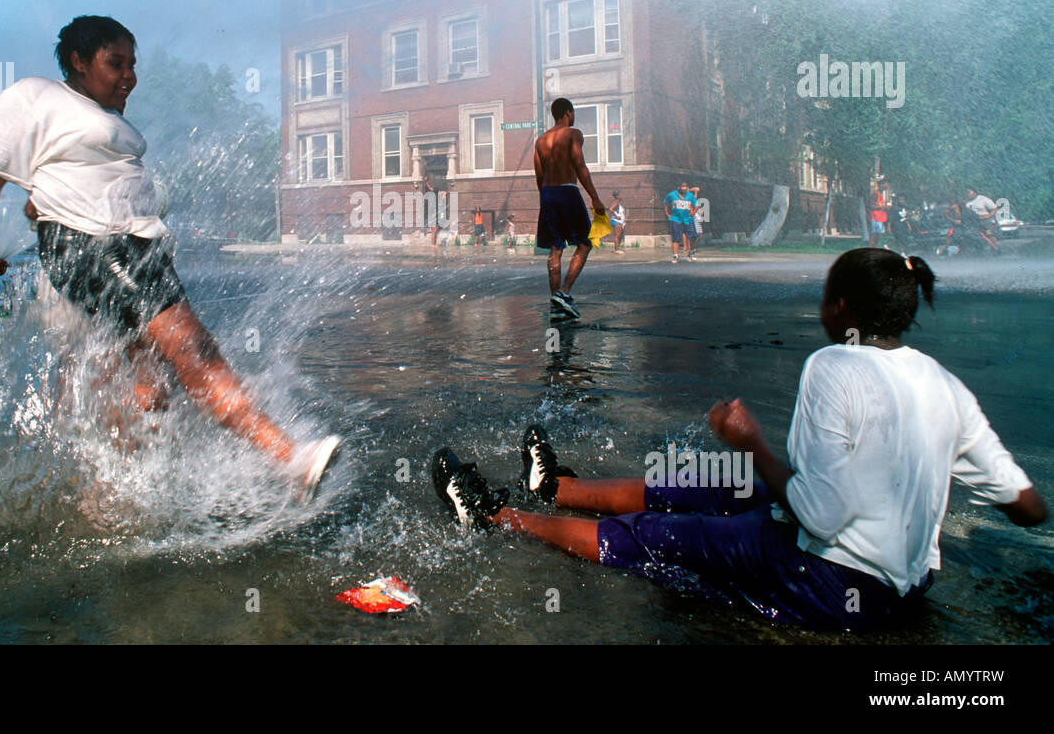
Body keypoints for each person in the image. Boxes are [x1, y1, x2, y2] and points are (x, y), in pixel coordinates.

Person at [432, 248, 1046, 631]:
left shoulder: (836, 366)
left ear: (842, 308)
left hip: (835, 583)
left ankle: (497, 516)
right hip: (900, 582)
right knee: (712, 486)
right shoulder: (947, 385)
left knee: (664, 535)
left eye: (826, 296)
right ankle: (557, 486)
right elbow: (1028, 507)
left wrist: (749, 440)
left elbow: (821, 514)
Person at [0, 16, 340, 501]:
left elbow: (76, 179)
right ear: (77, 60)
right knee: (191, 348)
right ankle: (288, 459)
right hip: (94, 247)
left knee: (148, 383)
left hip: (135, 249)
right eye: (116, 63)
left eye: (133, 64)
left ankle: (117, 488)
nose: (129, 75)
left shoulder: (112, 122)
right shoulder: (35, 96)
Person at [534, 98, 605, 319]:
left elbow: (539, 175)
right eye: (572, 113)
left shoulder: (540, 140)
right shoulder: (573, 133)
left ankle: (556, 302)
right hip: (567, 190)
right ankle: (564, 294)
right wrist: (595, 198)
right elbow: (579, 165)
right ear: (568, 113)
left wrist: (547, 198)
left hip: (547, 193)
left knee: (555, 249)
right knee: (585, 243)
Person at [663, 180, 697, 263]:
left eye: (686, 186)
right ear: (678, 187)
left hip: (687, 219)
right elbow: (665, 203)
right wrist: (667, 213)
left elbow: (696, 205)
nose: (684, 188)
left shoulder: (690, 195)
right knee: (676, 238)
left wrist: (693, 212)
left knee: (693, 236)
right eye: (682, 186)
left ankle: (690, 253)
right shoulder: (672, 195)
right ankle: (675, 256)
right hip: (676, 219)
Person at [868, 179, 889, 248]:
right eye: (885, 184)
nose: (887, 186)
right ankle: (871, 248)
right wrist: (883, 207)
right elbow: (871, 206)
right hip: (875, 217)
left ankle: (874, 247)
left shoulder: (881, 194)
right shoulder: (875, 194)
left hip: (880, 217)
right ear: (881, 185)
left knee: (878, 235)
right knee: (874, 235)